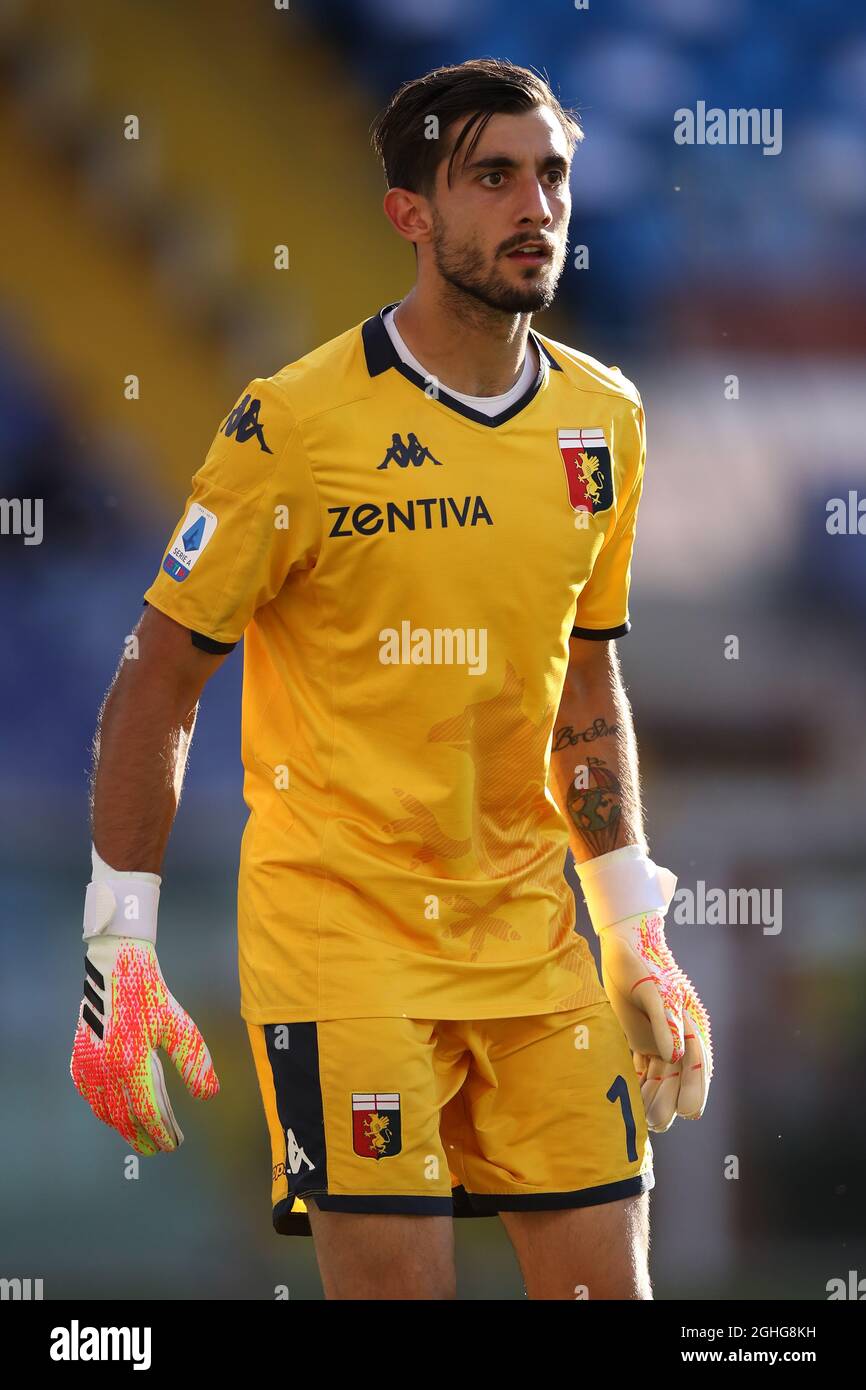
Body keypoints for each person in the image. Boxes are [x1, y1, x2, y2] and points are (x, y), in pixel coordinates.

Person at [71, 58, 712, 1301]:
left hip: (531, 938)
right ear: (408, 213)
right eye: (491, 177)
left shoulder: (605, 421)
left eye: (551, 176)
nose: (534, 207)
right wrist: (119, 949)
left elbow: (583, 680)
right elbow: (158, 680)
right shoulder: (294, 426)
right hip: (342, 937)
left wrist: (633, 928)